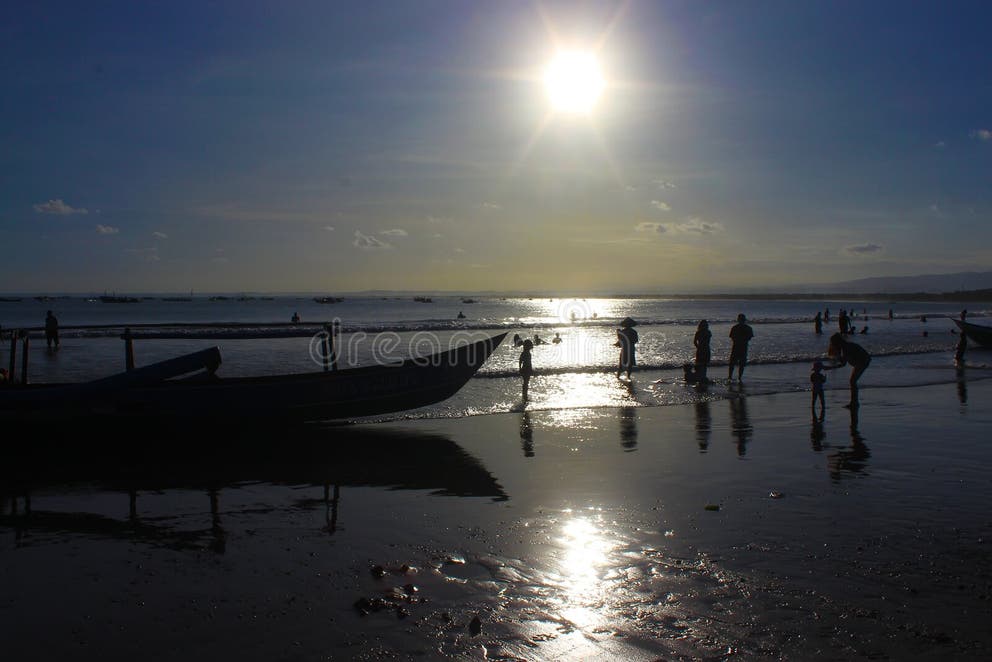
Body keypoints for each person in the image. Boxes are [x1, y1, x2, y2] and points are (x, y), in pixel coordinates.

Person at [826, 332, 871, 408]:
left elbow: (843, 364)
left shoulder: (846, 348)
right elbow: (844, 362)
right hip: (862, 360)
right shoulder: (846, 346)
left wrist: (829, 367)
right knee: (853, 381)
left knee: (852, 381)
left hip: (863, 361)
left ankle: (854, 402)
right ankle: (854, 402)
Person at [728, 313, 754, 382]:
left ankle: (730, 377)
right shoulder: (748, 328)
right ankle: (739, 377)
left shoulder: (735, 327)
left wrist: (738, 340)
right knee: (741, 364)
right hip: (743, 347)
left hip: (736, 347)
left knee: (732, 363)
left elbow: (732, 337)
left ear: (738, 319)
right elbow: (749, 337)